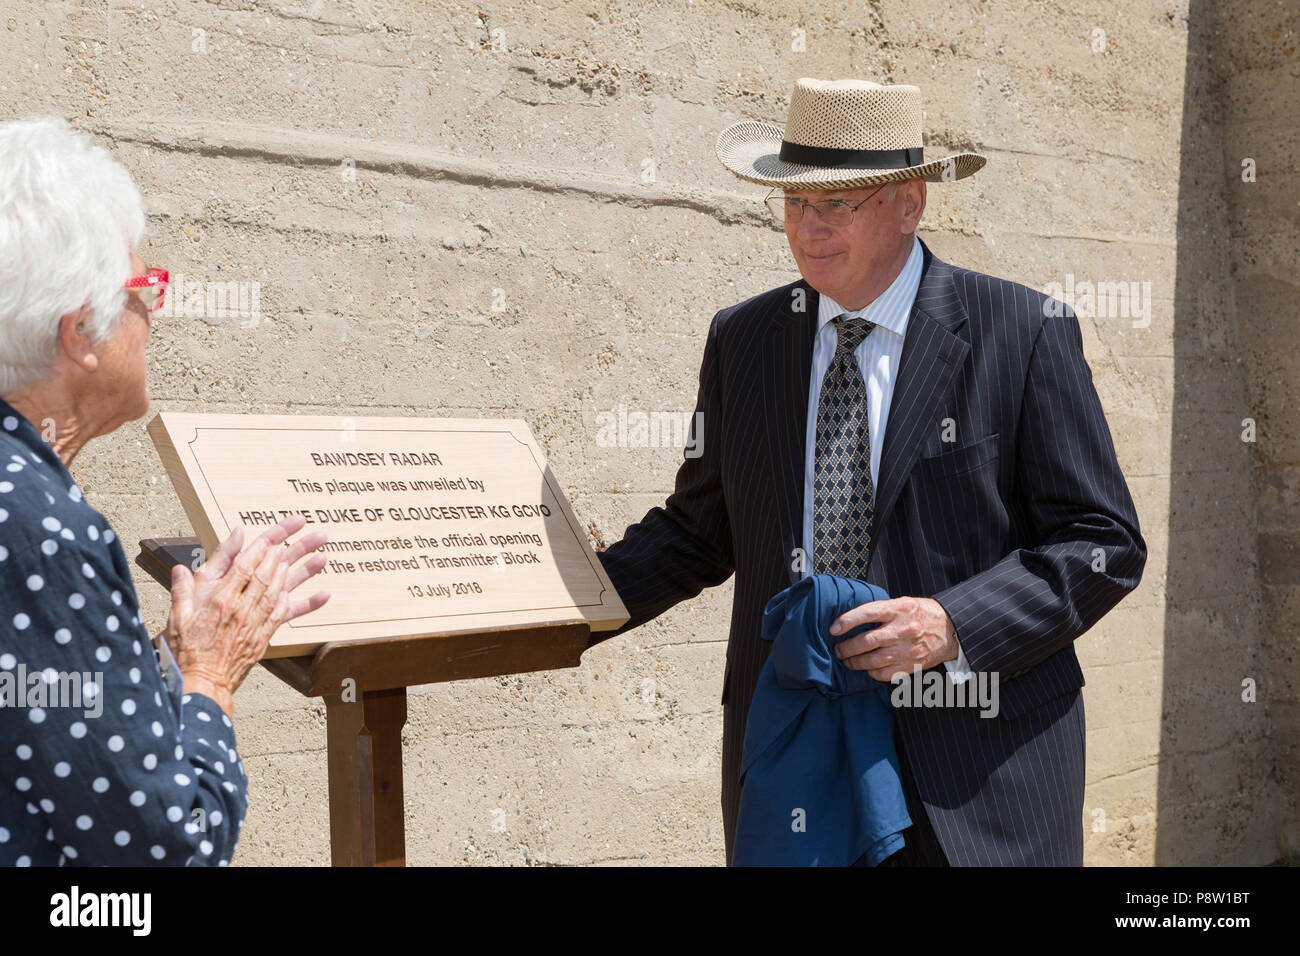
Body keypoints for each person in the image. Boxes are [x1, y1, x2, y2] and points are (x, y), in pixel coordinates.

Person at [593, 78, 1146, 865]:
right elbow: (697, 531)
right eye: (793, 205)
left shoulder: (1022, 331)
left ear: (910, 202)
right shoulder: (745, 339)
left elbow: (1104, 542)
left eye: (838, 206)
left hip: (977, 778)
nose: (808, 229)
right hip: (797, 758)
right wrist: (554, 604)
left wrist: (953, 625)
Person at [0, 116, 330, 866]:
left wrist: (169, 655)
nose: (157, 309)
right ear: (80, 333)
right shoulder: (38, 527)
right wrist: (208, 677)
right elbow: (163, 848)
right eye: (144, 285)